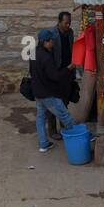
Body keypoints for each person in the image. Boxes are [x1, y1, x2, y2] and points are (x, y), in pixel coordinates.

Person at [29, 28, 76, 153]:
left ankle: (43, 144)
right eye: (51, 41)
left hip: (37, 92)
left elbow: (32, 72)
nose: (53, 43)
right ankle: (78, 137)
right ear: (45, 42)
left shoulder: (33, 53)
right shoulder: (47, 57)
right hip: (48, 94)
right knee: (65, 115)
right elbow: (54, 76)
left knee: (40, 118)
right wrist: (68, 69)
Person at [47, 11, 77, 140]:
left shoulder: (70, 33)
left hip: (68, 72)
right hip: (55, 73)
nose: (68, 25)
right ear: (59, 22)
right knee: (52, 103)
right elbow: (47, 55)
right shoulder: (52, 34)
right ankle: (52, 130)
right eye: (66, 23)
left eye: (69, 23)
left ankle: (63, 126)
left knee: (64, 101)